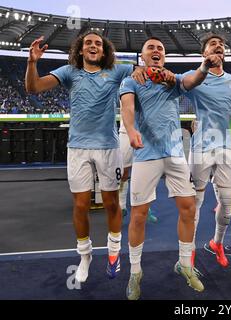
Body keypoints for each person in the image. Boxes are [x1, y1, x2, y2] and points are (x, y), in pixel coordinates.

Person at [25, 32, 134, 283]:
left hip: (108, 147)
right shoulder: (68, 72)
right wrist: (32, 62)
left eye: (98, 43)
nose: (93, 46)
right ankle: (85, 257)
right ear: (81, 50)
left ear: (104, 51)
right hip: (78, 148)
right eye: (88, 43)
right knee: (81, 205)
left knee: (111, 203)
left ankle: (114, 253)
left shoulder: (117, 72)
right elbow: (33, 87)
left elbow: (144, 73)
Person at [120, 37, 222, 299]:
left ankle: (185, 264)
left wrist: (204, 67)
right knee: (139, 215)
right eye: (151, 47)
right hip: (146, 155)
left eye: (160, 49)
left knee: (188, 208)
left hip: (175, 153)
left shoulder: (173, 80)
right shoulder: (132, 79)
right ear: (142, 56)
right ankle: (135, 273)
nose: (156, 51)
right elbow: (128, 107)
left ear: (164, 57)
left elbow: (192, 81)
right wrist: (131, 130)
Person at [184, 33, 231, 269]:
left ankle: (216, 243)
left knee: (228, 204)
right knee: (195, 202)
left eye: (221, 45)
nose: (219, 46)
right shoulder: (196, 77)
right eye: (212, 45)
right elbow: (178, 84)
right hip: (200, 148)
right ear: (204, 54)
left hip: (226, 148)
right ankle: (189, 250)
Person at [118, 118, 158, 223]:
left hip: (146, 134)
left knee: (147, 173)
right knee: (123, 172)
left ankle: (146, 208)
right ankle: (121, 206)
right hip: (125, 133)